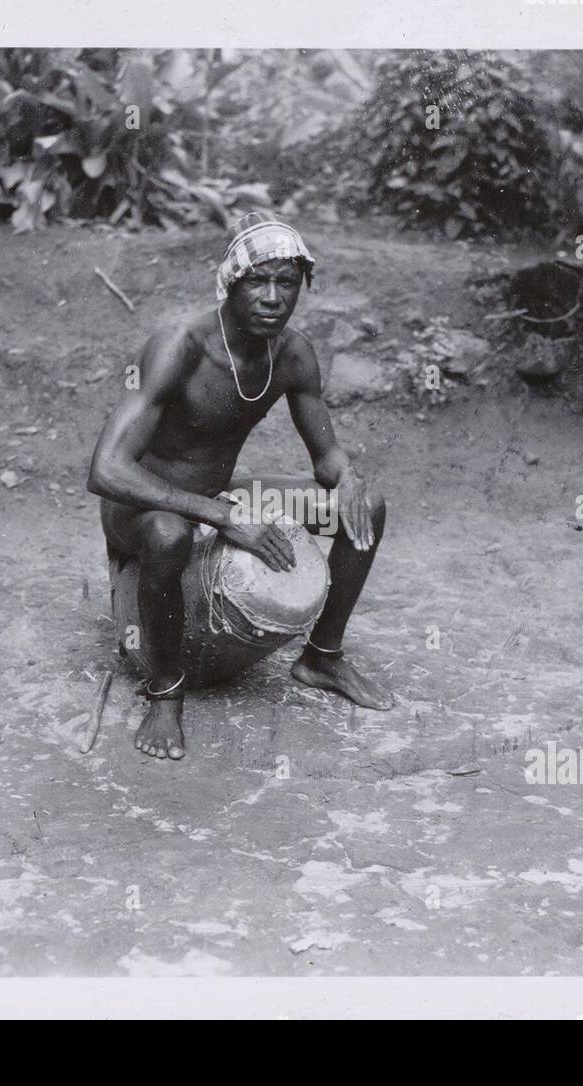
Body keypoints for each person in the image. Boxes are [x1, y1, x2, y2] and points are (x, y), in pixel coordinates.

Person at [88, 212, 393, 761]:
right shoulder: (179, 345)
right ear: (231, 282)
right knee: (167, 535)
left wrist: (348, 476)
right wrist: (223, 516)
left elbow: (325, 456)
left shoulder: (293, 354)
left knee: (367, 505)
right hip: (141, 505)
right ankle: (164, 692)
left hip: (219, 493)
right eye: (259, 281)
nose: (273, 297)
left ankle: (321, 656)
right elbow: (106, 470)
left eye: (287, 283)